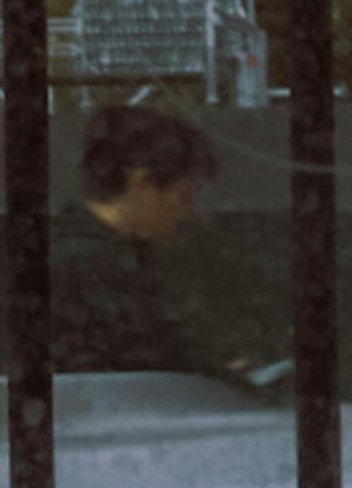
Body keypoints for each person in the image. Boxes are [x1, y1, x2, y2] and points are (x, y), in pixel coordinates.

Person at [44, 96, 222, 373]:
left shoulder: (83, 252)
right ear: (142, 184)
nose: (187, 213)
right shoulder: (90, 265)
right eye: (183, 196)